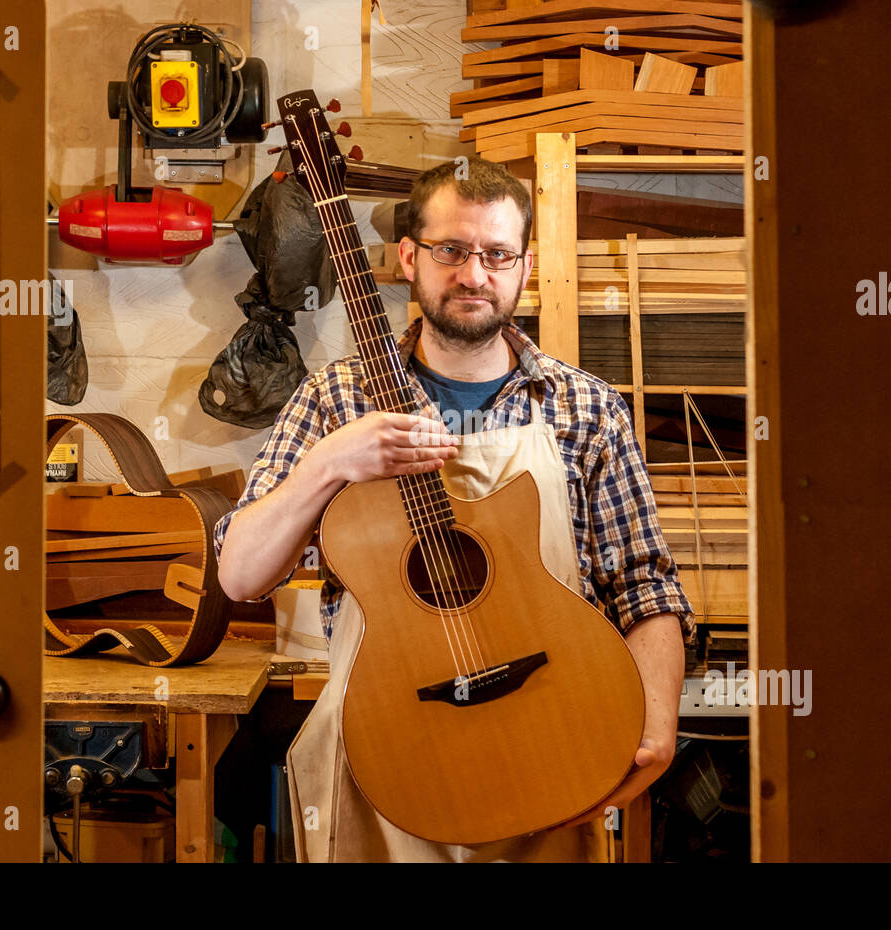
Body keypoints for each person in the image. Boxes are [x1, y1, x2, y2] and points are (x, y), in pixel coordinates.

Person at [214, 158, 694, 862]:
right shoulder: (337, 400)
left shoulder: (586, 409)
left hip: (553, 738)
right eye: (452, 250)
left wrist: (655, 720)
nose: (474, 274)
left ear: (524, 266)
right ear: (410, 256)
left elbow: (646, 587)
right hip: (394, 752)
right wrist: (330, 463)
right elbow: (240, 575)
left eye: (497, 254)